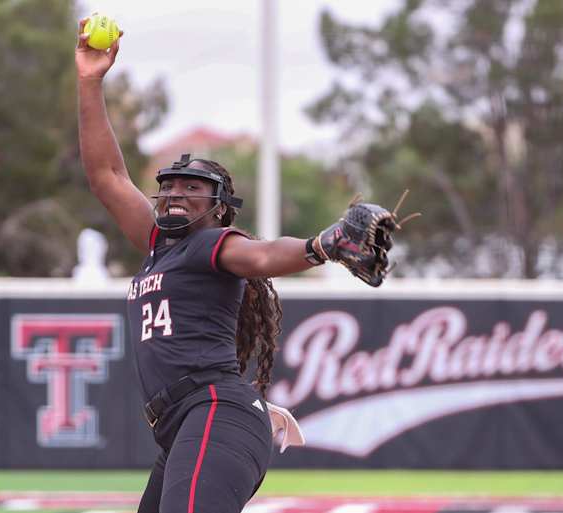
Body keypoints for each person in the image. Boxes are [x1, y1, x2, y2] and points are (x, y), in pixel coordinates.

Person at [75, 18, 408, 513]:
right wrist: (89, 81)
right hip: (185, 424)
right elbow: (107, 175)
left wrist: (325, 244)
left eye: (192, 187)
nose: (175, 193)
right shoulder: (159, 246)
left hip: (216, 413)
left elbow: (263, 256)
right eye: (169, 185)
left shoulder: (212, 243)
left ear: (221, 208)